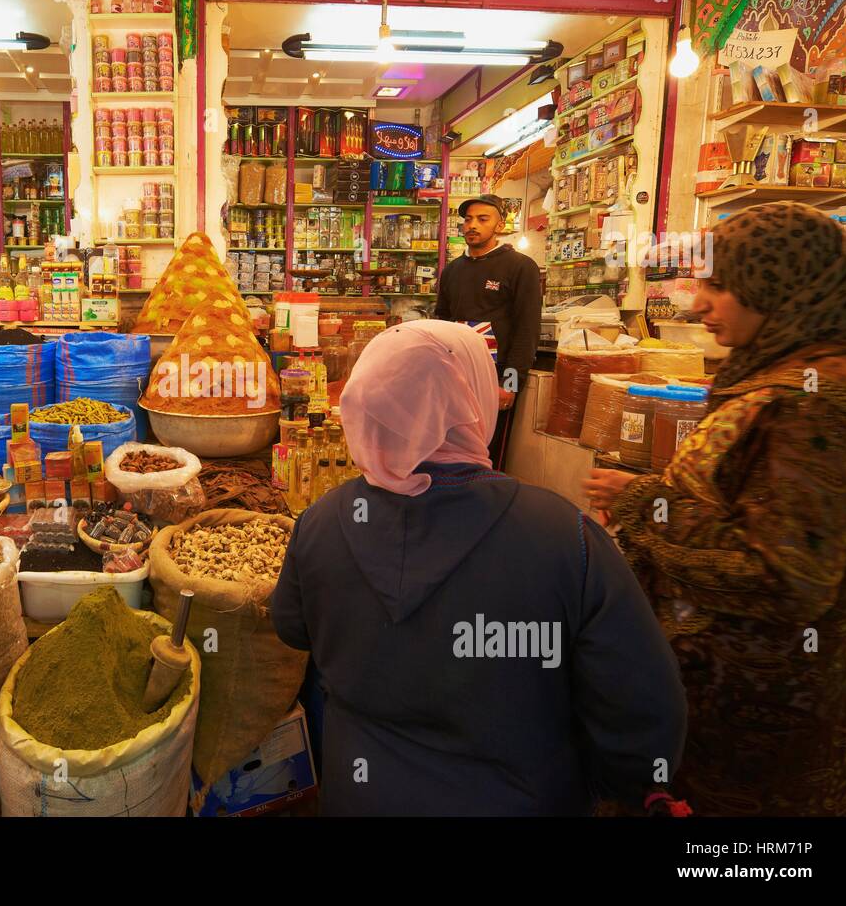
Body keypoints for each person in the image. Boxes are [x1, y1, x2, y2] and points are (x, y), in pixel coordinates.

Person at [272, 320, 686, 816]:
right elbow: (643, 715)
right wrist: (610, 782)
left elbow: (292, 627)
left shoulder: (319, 522)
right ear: (467, 401)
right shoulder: (563, 536)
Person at [583, 202, 846, 817]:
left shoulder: (812, 404)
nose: (697, 305)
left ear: (778, 285)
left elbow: (785, 574)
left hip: (764, 731)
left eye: (717, 286)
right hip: (734, 712)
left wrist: (647, 504)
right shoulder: (791, 376)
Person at [434, 194, 542, 470]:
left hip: (494, 378)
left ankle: (486, 505)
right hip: (455, 374)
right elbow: (442, 321)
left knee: (487, 450)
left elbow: (527, 329)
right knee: (449, 446)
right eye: (468, 219)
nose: (473, 225)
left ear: (500, 225)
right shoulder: (452, 271)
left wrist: (510, 382)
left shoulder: (520, 267)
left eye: (483, 219)